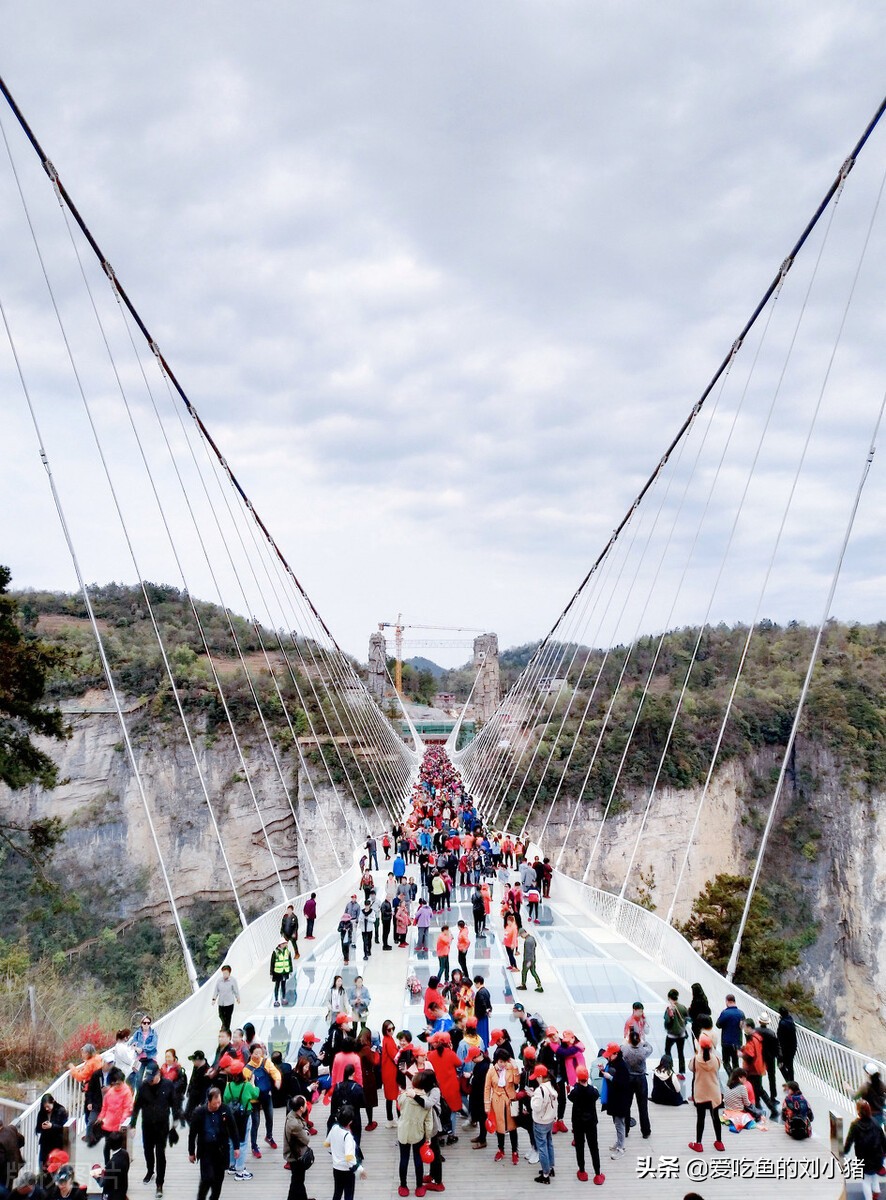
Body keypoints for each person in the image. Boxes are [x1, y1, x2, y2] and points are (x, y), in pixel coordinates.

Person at [131, 1061, 174, 1197]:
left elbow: (175, 1104)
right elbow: (136, 1106)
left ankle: (159, 1183)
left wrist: (177, 1123)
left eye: (152, 1079)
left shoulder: (168, 1085)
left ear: (158, 1074)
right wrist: (132, 1125)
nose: (150, 1081)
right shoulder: (144, 1086)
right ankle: (150, 1171)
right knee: (148, 1150)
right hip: (147, 1125)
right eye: (148, 1079)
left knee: (160, 1153)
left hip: (162, 1126)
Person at [189, 1087, 238, 1200]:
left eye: (219, 1102)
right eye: (215, 1103)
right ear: (209, 1101)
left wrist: (236, 1147)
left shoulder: (225, 1109)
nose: (217, 1105)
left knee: (218, 1180)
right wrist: (191, 1152)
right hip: (206, 1149)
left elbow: (233, 1128)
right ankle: (201, 1197)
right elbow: (192, 1134)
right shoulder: (199, 1113)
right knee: (207, 1178)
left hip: (221, 1149)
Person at [396, 1079, 434, 1197]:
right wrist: (428, 1137)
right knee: (418, 1159)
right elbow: (428, 1122)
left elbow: (399, 1104)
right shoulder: (426, 1102)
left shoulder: (404, 1096)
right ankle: (419, 1186)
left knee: (404, 1158)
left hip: (403, 1131)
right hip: (418, 1132)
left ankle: (403, 1185)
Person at [688, 1033, 724, 1153]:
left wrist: (697, 1051)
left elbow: (690, 1068)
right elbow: (717, 1065)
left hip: (701, 1093)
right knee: (716, 1118)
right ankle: (719, 1142)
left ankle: (698, 1143)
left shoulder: (695, 1060)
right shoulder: (716, 1059)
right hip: (714, 1093)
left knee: (701, 1118)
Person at [244, 1043, 282, 1154]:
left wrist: (277, 1080)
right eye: (256, 1053)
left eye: (260, 1053)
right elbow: (247, 1087)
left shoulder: (265, 1062)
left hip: (266, 1095)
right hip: (254, 1099)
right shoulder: (247, 1069)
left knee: (269, 1117)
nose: (258, 1056)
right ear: (251, 1054)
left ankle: (269, 1136)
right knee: (255, 1122)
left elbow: (274, 1071)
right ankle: (254, 1145)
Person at [844, 1099, 886, 1199]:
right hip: (877, 1158)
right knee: (873, 1172)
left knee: (866, 1181)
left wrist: (844, 1151)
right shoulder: (875, 1123)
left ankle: (870, 1197)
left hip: (864, 1159)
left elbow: (849, 1141)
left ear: (858, 1111)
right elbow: (883, 1140)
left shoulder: (855, 1125)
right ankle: (876, 1191)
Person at [569, 1064, 604, 1184]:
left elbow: (570, 1097)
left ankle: (582, 1171)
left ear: (578, 1078)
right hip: (591, 1122)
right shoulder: (593, 1091)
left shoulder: (575, 1091)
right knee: (594, 1147)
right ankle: (598, 1174)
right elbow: (596, 1095)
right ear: (587, 1077)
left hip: (578, 1123)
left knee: (580, 1147)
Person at [740, 1020, 778, 1118]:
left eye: (745, 1026)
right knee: (757, 1089)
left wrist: (741, 1054)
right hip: (758, 1066)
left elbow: (750, 1055)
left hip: (752, 1069)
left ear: (749, 1027)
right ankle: (759, 1107)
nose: (743, 1028)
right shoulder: (757, 1038)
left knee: (758, 1090)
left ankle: (770, 1109)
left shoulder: (752, 1039)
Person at [530, 1064, 558, 1184]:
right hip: (550, 1120)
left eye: (537, 1077)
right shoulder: (552, 1086)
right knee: (549, 1144)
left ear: (541, 1077)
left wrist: (532, 1097)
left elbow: (536, 1107)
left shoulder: (540, 1090)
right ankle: (551, 1168)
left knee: (542, 1147)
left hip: (540, 1122)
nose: (536, 1079)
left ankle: (545, 1174)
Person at [283, 1096, 312, 1200]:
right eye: (305, 1104)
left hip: (294, 1153)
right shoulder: (295, 1124)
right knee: (297, 1181)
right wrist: (306, 1132)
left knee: (297, 1180)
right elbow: (306, 1139)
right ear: (301, 1108)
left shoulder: (291, 1115)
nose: (306, 1105)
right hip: (295, 1155)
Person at [36, 1093, 68, 1172]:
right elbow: (38, 1129)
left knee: (54, 1165)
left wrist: (52, 1126)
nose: (47, 1109)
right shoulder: (42, 1113)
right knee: (43, 1165)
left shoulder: (61, 1110)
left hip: (56, 1142)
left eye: (48, 1106)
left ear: (53, 1102)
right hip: (45, 1142)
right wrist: (42, 1126)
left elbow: (64, 1128)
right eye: (45, 1107)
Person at [715, 994, 745, 1074]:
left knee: (726, 1062)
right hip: (737, 1043)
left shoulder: (725, 1013)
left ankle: (731, 1076)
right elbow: (743, 1027)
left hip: (726, 1042)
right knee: (735, 1063)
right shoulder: (741, 1014)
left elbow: (718, 1025)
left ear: (727, 1001)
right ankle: (736, 1078)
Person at [664, 989, 689, 1075]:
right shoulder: (682, 1007)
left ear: (669, 998)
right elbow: (687, 1018)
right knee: (680, 1052)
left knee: (667, 1050)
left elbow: (666, 1021)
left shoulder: (669, 1009)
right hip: (681, 1034)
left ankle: (669, 1068)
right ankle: (682, 1072)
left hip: (671, 1035)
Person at [211, 965, 240, 1031]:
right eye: (223, 973)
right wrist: (214, 999)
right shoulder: (219, 980)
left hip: (229, 1003)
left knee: (228, 1017)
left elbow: (236, 990)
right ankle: (225, 1027)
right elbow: (216, 990)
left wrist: (238, 998)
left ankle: (226, 1030)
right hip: (221, 1002)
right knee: (220, 1015)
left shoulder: (233, 980)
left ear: (229, 973)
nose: (224, 975)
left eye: (226, 973)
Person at [186, 1051, 211, 1121]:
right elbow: (192, 1078)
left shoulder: (207, 1072)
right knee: (187, 1115)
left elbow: (205, 1089)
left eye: (194, 1060)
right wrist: (189, 1089)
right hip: (192, 1095)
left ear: (199, 1060)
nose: (193, 1062)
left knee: (195, 1117)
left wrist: (201, 1103)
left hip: (199, 1098)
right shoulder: (196, 1066)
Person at [516, 927, 544, 992]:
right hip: (533, 959)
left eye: (521, 935)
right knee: (533, 971)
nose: (521, 937)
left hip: (528, 960)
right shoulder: (532, 938)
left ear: (523, 933)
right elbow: (535, 945)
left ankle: (523, 985)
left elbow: (528, 952)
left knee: (524, 972)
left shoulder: (527, 941)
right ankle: (539, 985)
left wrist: (526, 962)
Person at [270, 939, 296, 1007]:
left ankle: (283, 998)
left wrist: (290, 970)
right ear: (280, 944)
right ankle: (276, 1000)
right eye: (284, 943)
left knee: (283, 986)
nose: (286, 944)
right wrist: (271, 973)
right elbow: (272, 963)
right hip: (277, 972)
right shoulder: (275, 952)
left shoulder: (287, 952)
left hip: (285, 972)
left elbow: (290, 961)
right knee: (277, 986)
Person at [776, 1006, 796, 1082]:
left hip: (785, 1049)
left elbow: (780, 1038)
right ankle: (792, 1083)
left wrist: (779, 1051)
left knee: (780, 1064)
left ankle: (788, 1081)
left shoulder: (782, 1024)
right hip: (792, 1047)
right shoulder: (791, 1020)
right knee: (790, 1065)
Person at [473, 975, 492, 1048]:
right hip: (485, 1016)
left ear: (478, 983)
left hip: (480, 1016)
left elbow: (482, 1003)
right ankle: (485, 1046)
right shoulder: (486, 991)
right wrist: (489, 1010)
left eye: (475, 983)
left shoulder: (479, 993)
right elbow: (488, 1003)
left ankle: (481, 1047)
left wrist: (484, 1010)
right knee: (485, 1032)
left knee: (481, 1033)